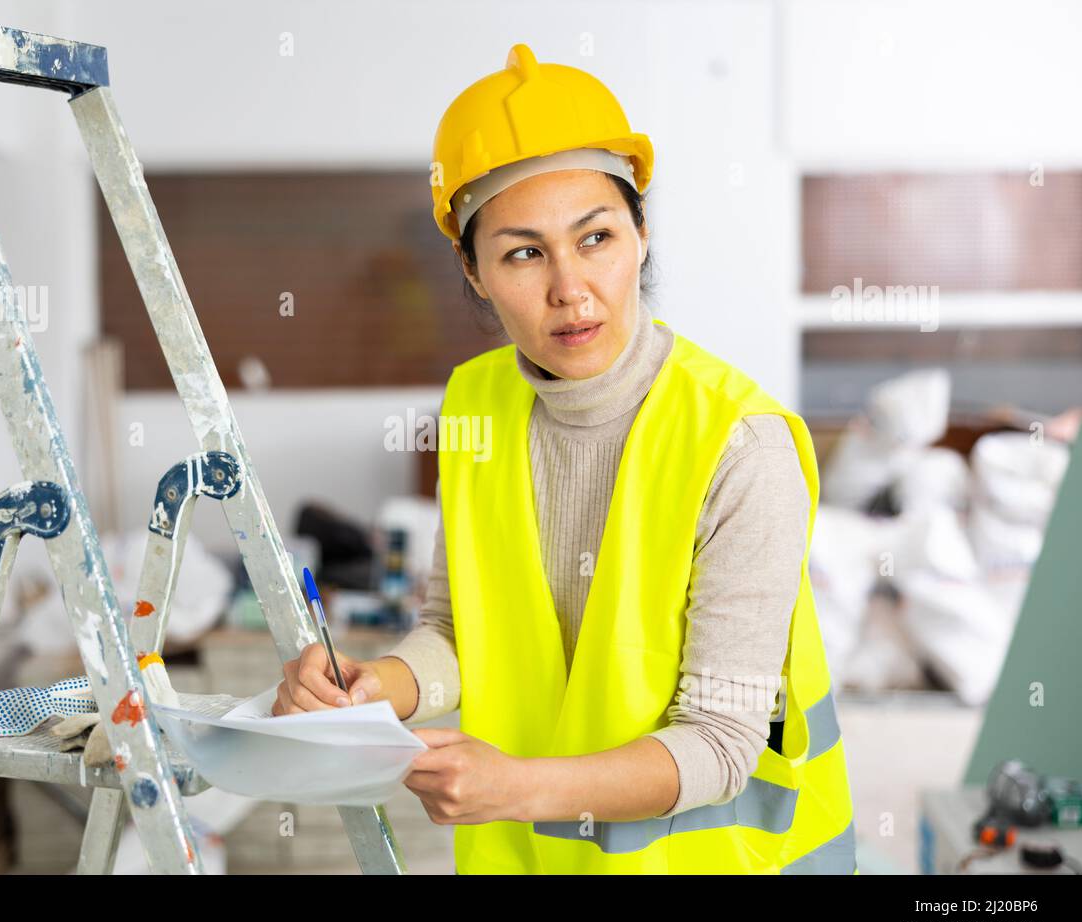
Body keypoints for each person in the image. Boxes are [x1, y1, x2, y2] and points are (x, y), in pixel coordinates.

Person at [273, 43, 856, 874]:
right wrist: (379, 686)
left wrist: (517, 789)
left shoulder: (738, 441)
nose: (571, 289)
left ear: (642, 235)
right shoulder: (477, 405)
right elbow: (459, 633)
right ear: (473, 272)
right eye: (522, 252)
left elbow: (723, 744)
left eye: (596, 238)